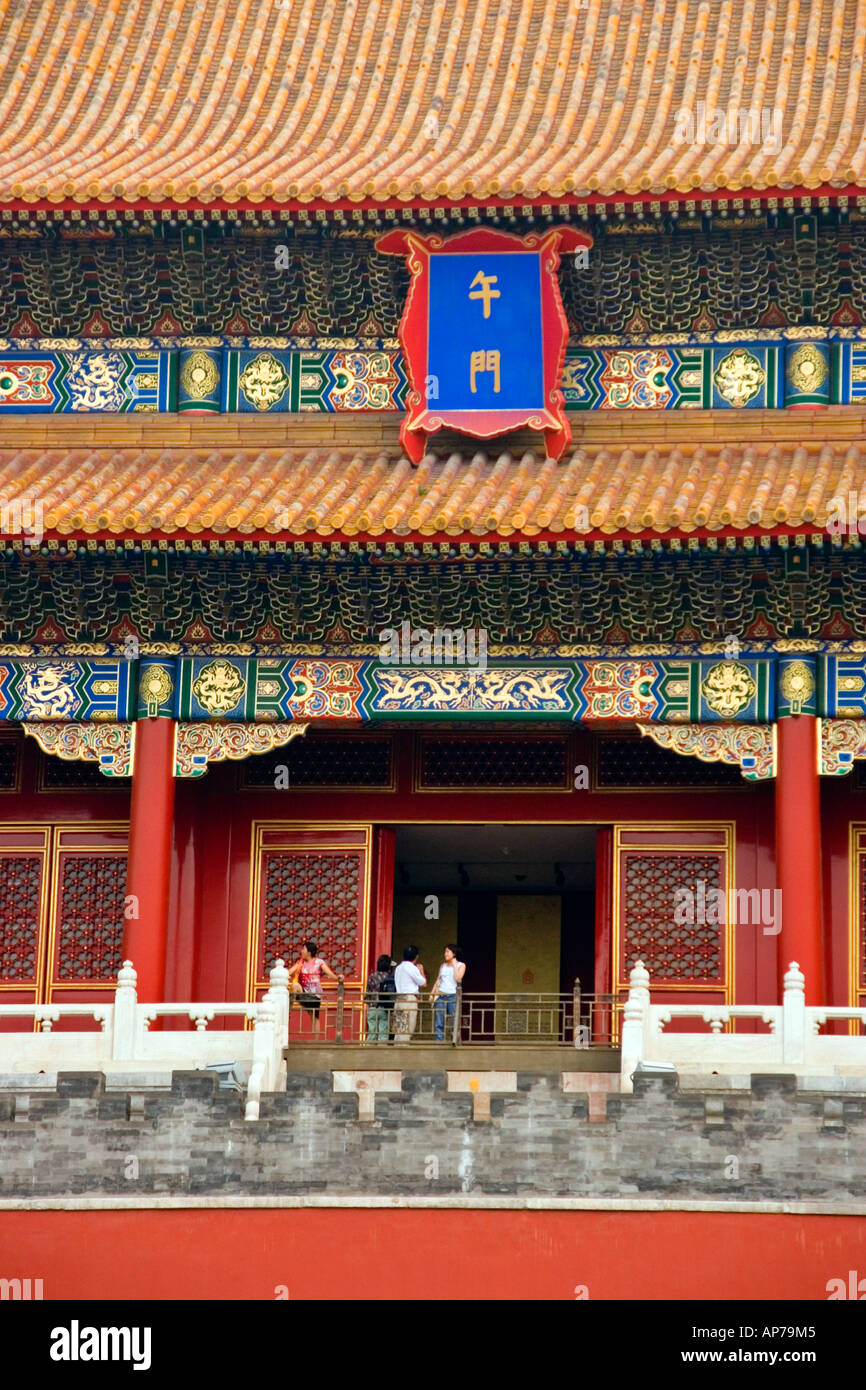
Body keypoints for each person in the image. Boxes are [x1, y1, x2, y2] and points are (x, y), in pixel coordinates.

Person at [288, 940, 343, 1037]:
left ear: (309, 952)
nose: (301, 951)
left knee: (314, 1017)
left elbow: (328, 973)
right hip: (304, 992)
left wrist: (337, 978)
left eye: (303, 949)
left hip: (315, 995)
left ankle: (315, 1042)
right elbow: (289, 972)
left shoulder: (319, 962)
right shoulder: (300, 963)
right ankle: (288, 1009)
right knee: (294, 986)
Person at [430, 944, 466, 1041]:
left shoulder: (461, 965)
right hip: (441, 995)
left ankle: (455, 1041)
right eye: (445, 952)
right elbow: (438, 980)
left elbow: (458, 979)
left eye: (447, 952)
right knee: (439, 1021)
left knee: (454, 1021)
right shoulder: (443, 966)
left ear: (454, 954)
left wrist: (454, 965)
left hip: (452, 996)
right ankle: (438, 1042)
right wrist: (432, 993)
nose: (445, 954)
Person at [393, 946, 426, 1043]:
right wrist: (421, 971)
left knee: (399, 1028)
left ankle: (397, 1048)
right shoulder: (411, 967)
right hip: (409, 999)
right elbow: (423, 983)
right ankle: (403, 1050)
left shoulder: (398, 967)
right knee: (407, 1027)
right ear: (416, 957)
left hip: (399, 999)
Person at [364, 954, 395, 1044]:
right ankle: (382, 1055)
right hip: (384, 1008)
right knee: (383, 1033)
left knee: (371, 1033)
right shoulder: (389, 977)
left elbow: (367, 994)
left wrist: (367, 1010)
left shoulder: (372, 976)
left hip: (372, 1008)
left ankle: (367, 1054)